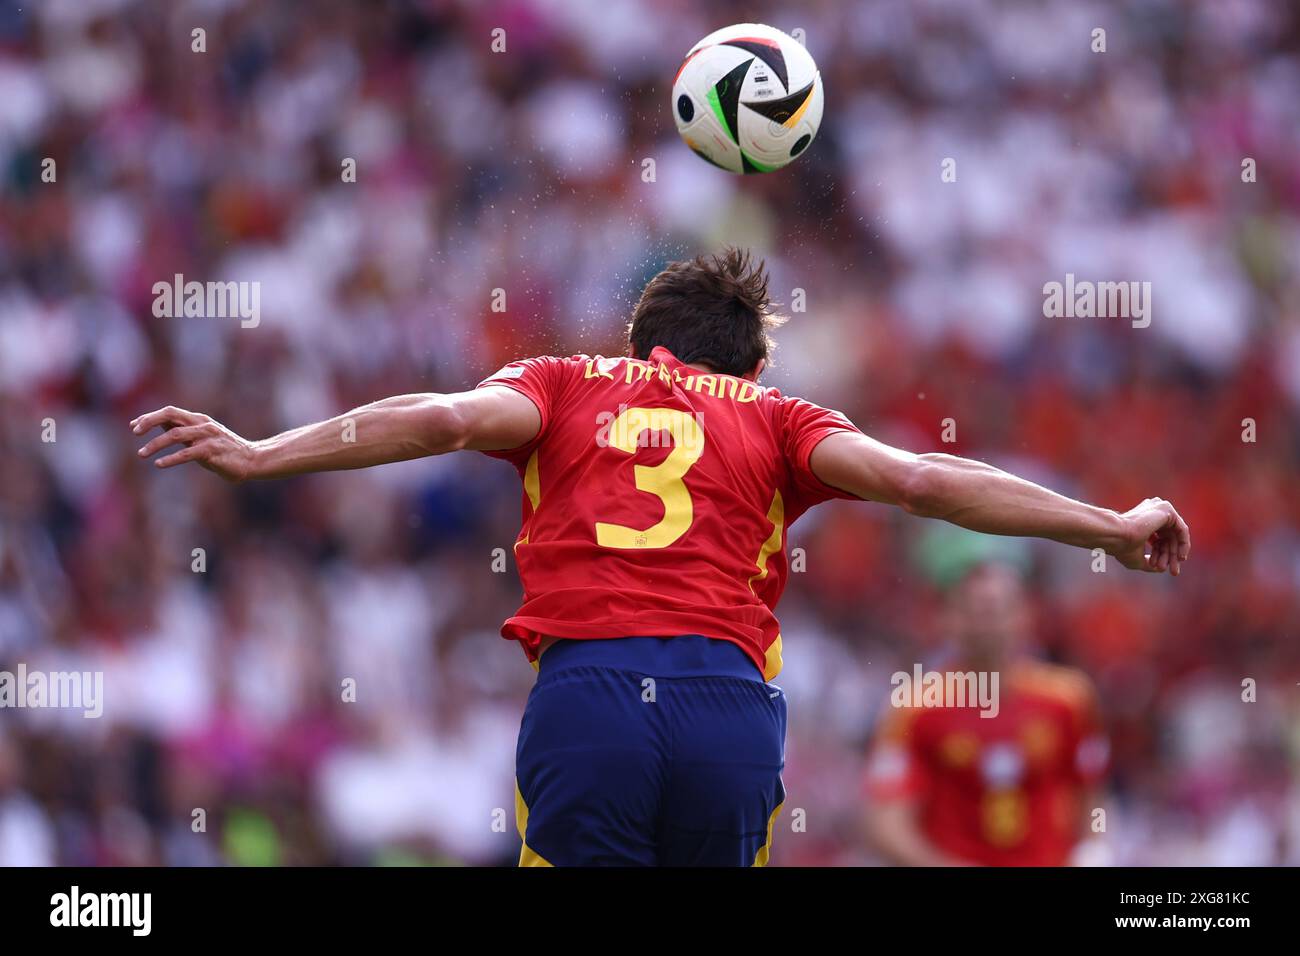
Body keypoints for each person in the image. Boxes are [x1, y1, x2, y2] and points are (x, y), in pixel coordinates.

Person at [130, 248, 1190, 866]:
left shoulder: (562, 381)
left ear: (643, 341)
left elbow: (445, 417)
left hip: (591, 693)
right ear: (754, 359)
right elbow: (921, 480)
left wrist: (267, 453)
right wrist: (1108, 522)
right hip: (726, 705)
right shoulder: (779, 415)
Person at [863, 562, 1109, 866]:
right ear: (948, 619)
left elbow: (1090, 796)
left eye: (998, 609)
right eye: (975, 610)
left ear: (1025, 615)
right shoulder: (914, 707)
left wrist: (1091, 855)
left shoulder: (1069, 699)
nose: (987, 622)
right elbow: (887, 822)